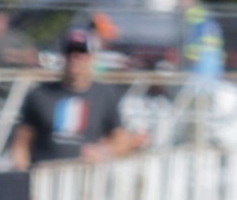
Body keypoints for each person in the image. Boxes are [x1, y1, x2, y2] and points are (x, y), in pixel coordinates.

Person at [10, 29, 142, 167]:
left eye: (81, 53)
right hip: (45, 175)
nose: (75, 58)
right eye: (70, 53)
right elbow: (21, 142)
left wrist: (104, 152)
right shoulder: (40, 94)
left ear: (90, 57)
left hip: (85, 176)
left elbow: (120, 138)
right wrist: (22, 171)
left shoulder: (104, 94)